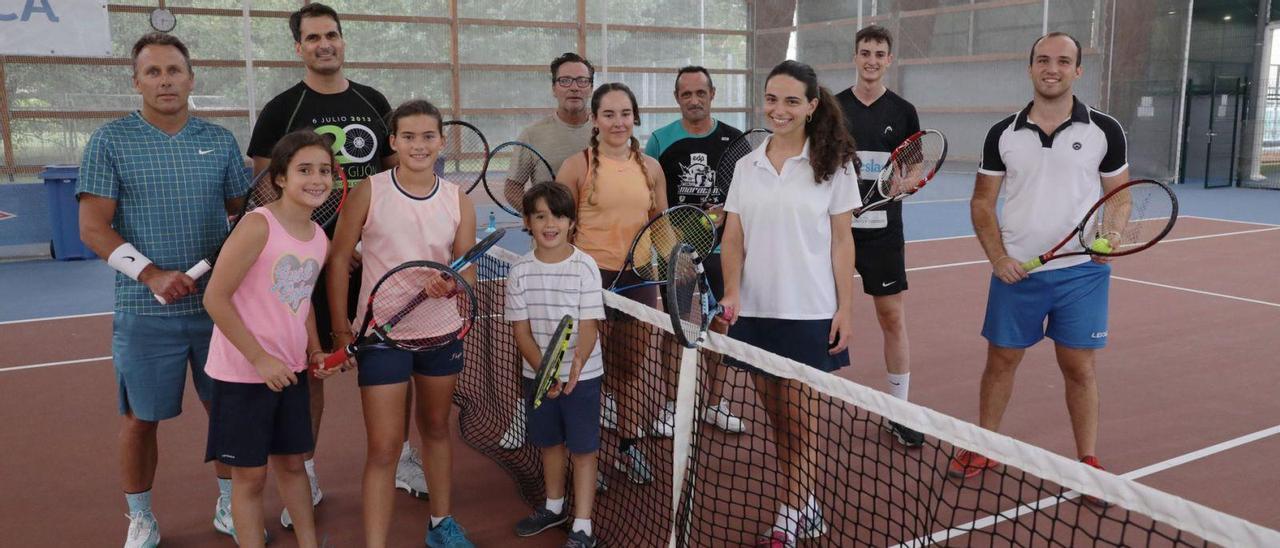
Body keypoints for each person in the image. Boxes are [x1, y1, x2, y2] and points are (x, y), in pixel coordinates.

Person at [245, 3, 425, 525]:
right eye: (313, 37)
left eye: (332, 35)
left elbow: (398, 181)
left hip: (375, 265)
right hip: (308, 268)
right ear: (297, 47)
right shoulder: (282, 109)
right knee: (311, 369)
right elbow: (265, 189)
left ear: (343, 41)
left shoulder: (373, 102)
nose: (325, 44)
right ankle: (308, 468)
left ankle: (400, 456)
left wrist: (368, 246)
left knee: (391, 363)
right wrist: (319, 249)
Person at [76, 32, 256, 548]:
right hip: (144, 311)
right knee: (139, 421)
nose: (165, 81)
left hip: (218, 309)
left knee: (227, 413)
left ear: (190, 77)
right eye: (152, 72)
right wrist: (152, 274)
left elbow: (241, 218)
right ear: (136, 82)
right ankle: (140, 517)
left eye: (174, 70)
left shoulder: (219, 141)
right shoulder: (110, 142)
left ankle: (228, 506)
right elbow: (93, 227)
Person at [952, 32, 1128, 489]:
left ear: (1078, 70)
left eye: (1063, 61)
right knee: (1001, 362)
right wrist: (997, 258)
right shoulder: (1003, 134)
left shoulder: (1105, 130)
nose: (1053, 68)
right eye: (1044, 60)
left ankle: (1086, 460)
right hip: (1017, 275)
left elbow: (1120, 198)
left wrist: (1109, 237)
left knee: (1079, 368)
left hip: (1083, 275)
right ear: (1030, 68)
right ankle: (985, 445)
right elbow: (981, 203)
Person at [717, 60, 860, 548]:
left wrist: (846, 308)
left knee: (802, 423)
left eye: (792, 101)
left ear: (812, 106)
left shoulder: (835, 167)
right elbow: (733, 238)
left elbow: (843, 242)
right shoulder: (746, 166)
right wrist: (732, 291)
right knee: (777, 419)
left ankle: (792, 511)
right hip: (756, 312)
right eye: (772, 99)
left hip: (811, 313)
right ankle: (806, 503)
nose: (779, 109)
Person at [326, 99, 478, 548]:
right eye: (408, 136)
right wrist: (340, 329)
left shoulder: (457, 200)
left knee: (435, 429)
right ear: (393, 142)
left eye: (428, 136)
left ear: (441, 141)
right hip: (381, 339)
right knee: (385, 448)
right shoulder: (370, 191)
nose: (418, 145)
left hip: (441, 333)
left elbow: (466, 272)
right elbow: (338, 260)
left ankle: (441, 525)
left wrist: (450, 284)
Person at [202, 130, 344, 548]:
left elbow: (302, 302)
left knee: (293, 467)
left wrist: (315, 350)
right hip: (244, 374)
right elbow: (215, 298)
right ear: (280, 177)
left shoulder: (319, 237)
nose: (316, 179)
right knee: (250, 478)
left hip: (291, 372)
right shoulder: (257, 225)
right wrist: (260, 359)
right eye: (304, 170)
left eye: (324, 170)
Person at [556, 82, 669, 487]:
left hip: (637, 280)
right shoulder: (577, 166)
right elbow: (560, 228)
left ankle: (628, 446)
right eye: (609, 114)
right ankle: (583, 453)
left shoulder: (651, 168)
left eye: (625, 113)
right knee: (581, 368)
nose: (618, 122)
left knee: (629, 371)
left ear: (634, 117)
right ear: (595, 119)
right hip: (589, 279)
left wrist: (677, 272)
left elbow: (661, 228)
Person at [498, 53, 597, 450]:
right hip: (546, 260)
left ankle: (591, 402)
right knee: (534, 337)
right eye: (565, 80)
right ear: (554, 86)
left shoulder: (604, 130)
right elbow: (511, 186)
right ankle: (527, 410)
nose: (574, 87)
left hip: (594, 257)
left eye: (581, 80)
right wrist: (537, 220)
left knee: (589, 334)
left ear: (591, 85)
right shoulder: (534, 133)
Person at [833, 25, 924, 447]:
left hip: (884, 234)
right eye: (865, 52)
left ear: (889, 60)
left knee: (892, 318)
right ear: (855, 56)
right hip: (835, 232)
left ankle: (899, 411)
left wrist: (907, 182)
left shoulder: (903, 112)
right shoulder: (832, 108)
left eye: (879, 54)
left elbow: (913, 168)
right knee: (821, 315)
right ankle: (810, 400)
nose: (871, 60)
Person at [643, 65, 746, 437]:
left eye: (700, 93)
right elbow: (651, 200)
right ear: (677, 99)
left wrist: (724, 216)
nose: (694, 100)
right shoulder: (658, 141)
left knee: (720, 327)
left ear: (712, 94)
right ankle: (673, 405)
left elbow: (745, 199)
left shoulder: (735, 141)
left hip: (722, 254)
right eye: (686, 94)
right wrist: (673, 248)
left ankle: (714, 403)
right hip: (677, 254)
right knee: (677, 331)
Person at [507, 182, 605, 548]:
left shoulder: (585, 267)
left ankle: (582, 525)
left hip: (584, 378)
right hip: (538, 378)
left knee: (583, 450)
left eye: (559, 216)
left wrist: (574, 367)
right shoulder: (519, 272)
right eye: (541, 216)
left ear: (571, 222)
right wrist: (546, 373)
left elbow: (589, 326)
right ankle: (554, 507)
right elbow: (521, 332)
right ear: (527, 222)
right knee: (549, 444)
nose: (550, 224)